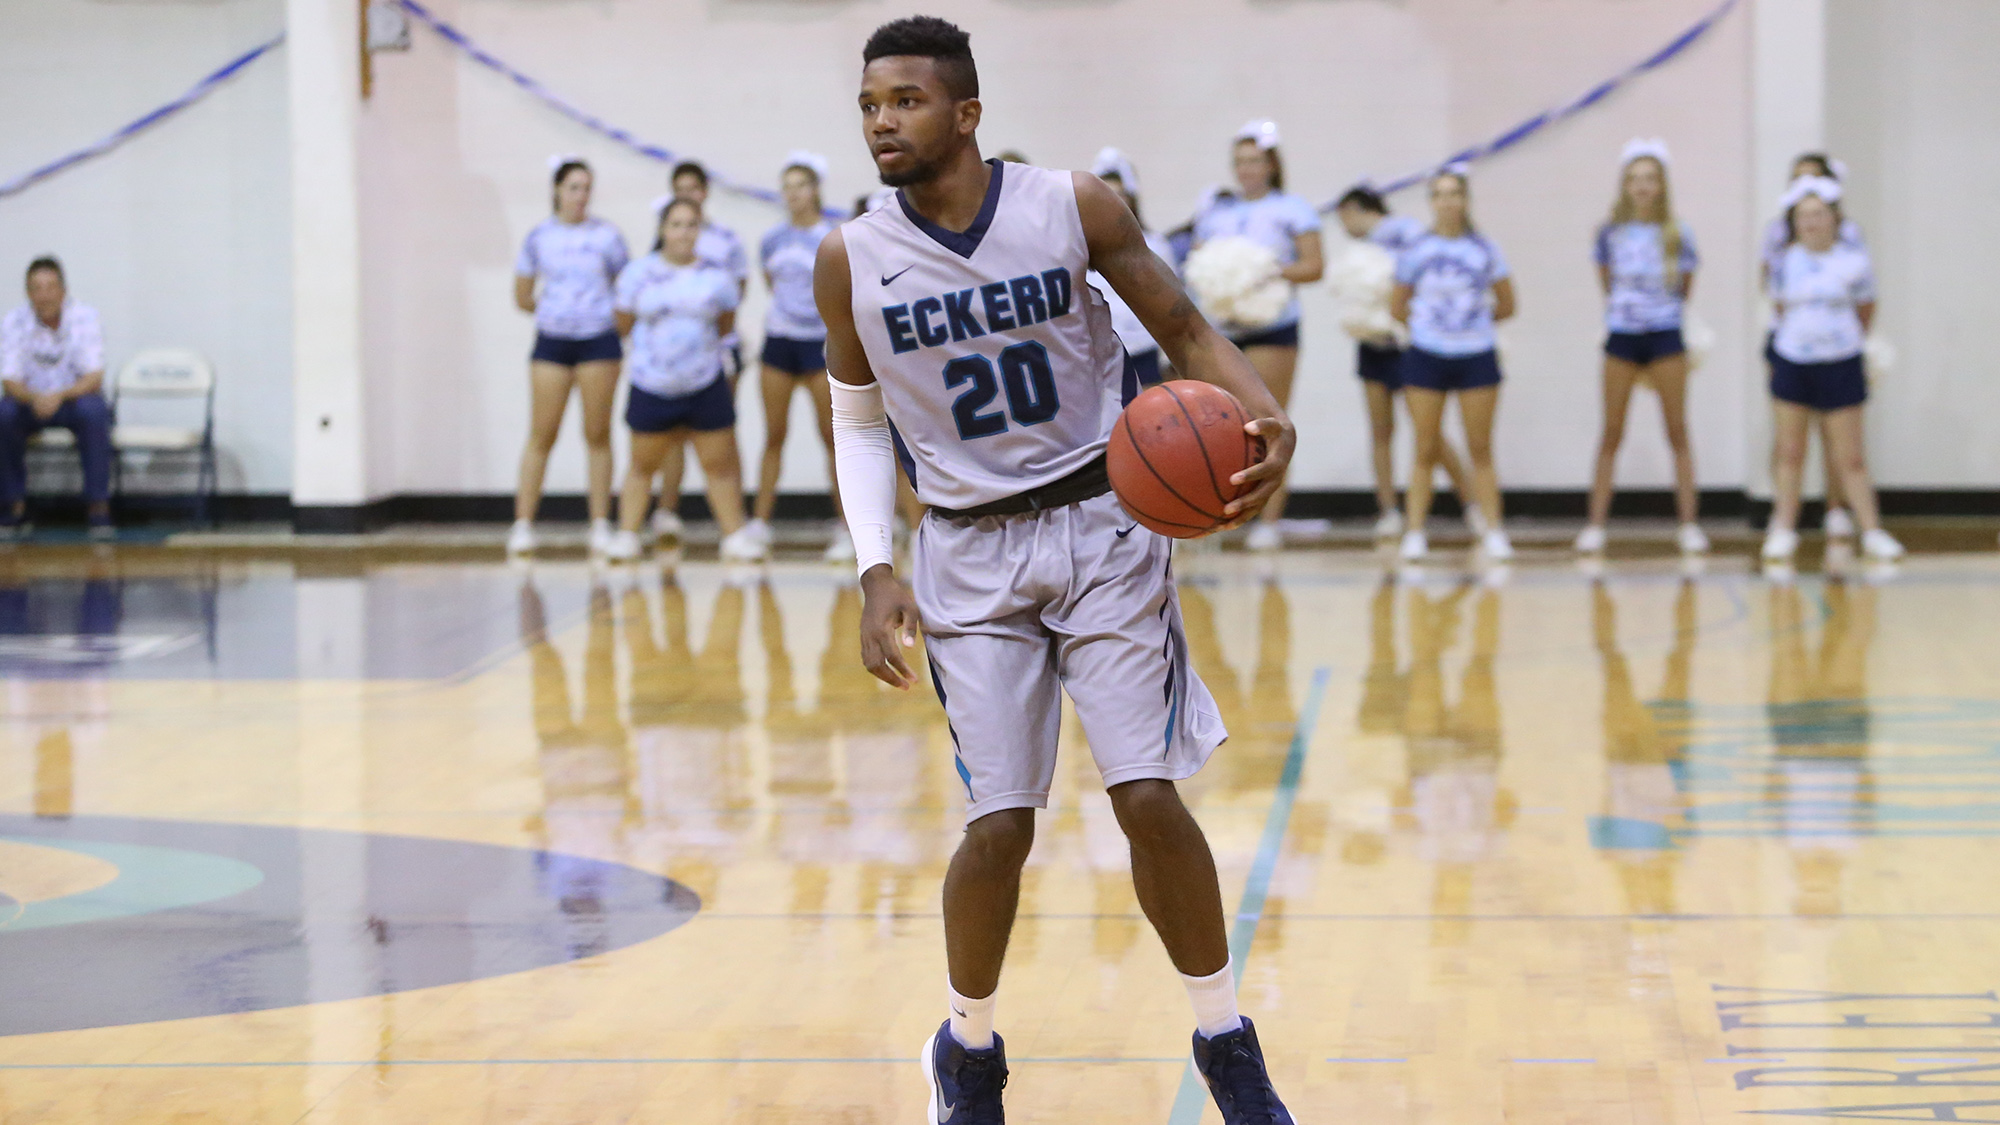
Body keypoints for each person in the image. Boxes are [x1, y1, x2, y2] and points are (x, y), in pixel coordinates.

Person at [815, 17, 1299, 1123]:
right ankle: (968, 1050)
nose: (882, 121)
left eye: (904, 101)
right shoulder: (851, 254)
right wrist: (873, 565)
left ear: (966, 113)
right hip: (967, 552)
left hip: (1102, 527)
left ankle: (1225, 1041)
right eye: (869, 106)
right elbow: (856, 419)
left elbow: (1179, 326)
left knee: (1145, 797)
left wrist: (1264, 411)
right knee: (1002, 827)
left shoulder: (1069, 205)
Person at [1191, 119, 1324, 551]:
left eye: (1254, 161)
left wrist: (1264, 270)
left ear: (1270, 164)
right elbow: (1197, 265)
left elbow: (1313, 267)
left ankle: (1270, 520)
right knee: (1216, 425)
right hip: (1222, 331)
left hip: (1273, 327)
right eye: (1239, 162)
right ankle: (1212, 515)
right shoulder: (1216, 212)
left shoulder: (1293, 208)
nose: (1246, 169)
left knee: (1271, 421)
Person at [606, 198, 763, 562]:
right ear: (662, 229)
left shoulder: (716, 278)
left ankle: (734, 535)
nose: (684, 232)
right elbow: (623, 324)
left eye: (692, 225)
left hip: (704, 383)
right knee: (642, 466)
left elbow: (725, 324)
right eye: (676, 224)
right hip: (652, 383)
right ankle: (628, 534)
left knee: (719, 465)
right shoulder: (637, 274)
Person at [1760, 176, 1902, 563]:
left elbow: (1866, 309)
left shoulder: (1853, 261)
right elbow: (1776, 307)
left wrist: (1844, 340)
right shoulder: (1783, 260)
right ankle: (1784, 527)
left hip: (1840, 362)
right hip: (1793, 361)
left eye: (1819, 215)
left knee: (1850, 456)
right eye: (1803, 216)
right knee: (1790, 451)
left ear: (1834, 219)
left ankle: (1871, 530)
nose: (1811, 223)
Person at [1577, 139, 1708, 555]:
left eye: (1650, 179)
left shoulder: (1677, 232)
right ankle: (1596, 524)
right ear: (1624, 186)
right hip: (1622, 336)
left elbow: (1685, 287)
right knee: (1611, 430)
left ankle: (1688, 524)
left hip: (1666, 334)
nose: (1642, 187)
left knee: (1678, 429)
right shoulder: (1608, 232)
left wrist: (1659, 314)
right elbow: (1606, 282)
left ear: (1662, 184)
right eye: (1634, 179)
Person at [1333, 184, 1480, 540]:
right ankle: (1389, 511)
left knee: (1429, 434)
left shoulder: (1408, 233)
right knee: (1380, 431)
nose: (1343, 228)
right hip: (1373, 345)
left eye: (1344, 219)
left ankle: (1472, 504)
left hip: (1407, 345)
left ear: (1357, 209)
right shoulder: (1360, 249)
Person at [1390, 166, 1516, 562]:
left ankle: (1493, 530)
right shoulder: (1416, 250)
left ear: (1465, 200)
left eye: (1454, 193)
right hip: (1427, 354)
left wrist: (1469, 324)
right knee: (1424, 447)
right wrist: (1434, 328)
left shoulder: (1485, 249)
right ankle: (1414, 532)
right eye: (1439, 194)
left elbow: (1508, 303)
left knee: (1481, 447)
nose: (1447, 201)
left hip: (1476, 354)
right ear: (1432, 202)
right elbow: (1397, 306)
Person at [510, 158, 629, 556]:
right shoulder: (539, 236)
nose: (580, 196)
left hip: (598, 342)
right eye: (573, 187)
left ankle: (599, 523)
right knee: (541, 433)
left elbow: (625, 290)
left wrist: (600, 317)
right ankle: (524, 524)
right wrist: (557, 312)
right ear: (557, 190)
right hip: (554, 342)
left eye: (586, 188)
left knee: (597, 433)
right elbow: (523, 294)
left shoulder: (608, 237)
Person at [747, 153, 851, 563]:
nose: (793, 194)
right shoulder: (772, 239)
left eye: (800, 185)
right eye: (786, 187)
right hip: (779, 342)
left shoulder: (831, 236)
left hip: (819, 344)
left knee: (834, 439)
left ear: (815, 190)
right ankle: (759, 523)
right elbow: (771, 283)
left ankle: (848, 527)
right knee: (774, 436)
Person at [1762, 152, 1867, 539]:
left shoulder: (1849, 239)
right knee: (1789, 440)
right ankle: (1783, 519)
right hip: (1791, 346)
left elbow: (1865, 300)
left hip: (1837, 350)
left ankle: (1838, 507)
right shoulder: (1779, 240)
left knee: (1840, 438)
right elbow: (1772, 292)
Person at [650, 161, 752, 543]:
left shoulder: (725, 239)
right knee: (671, 434)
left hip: (718, 350)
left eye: (693, 188)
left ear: (705, 192)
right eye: (680, 189)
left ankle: (734, 519)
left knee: (721, 433)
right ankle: (667, 510)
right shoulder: (661, 240)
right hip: (669, 362)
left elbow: (736, 295)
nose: (687, 196)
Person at [0, 257, 113, 541]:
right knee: (4, 414)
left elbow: (93, 377)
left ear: (63, 291)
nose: (44, 295)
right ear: (28, 293)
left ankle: (98, 507)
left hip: (73, 399)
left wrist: (58, 396)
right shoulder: (13, 321)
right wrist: (34, 397)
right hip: (31, 401)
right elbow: (10, 380)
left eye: (51, 287)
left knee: (95, 412)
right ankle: (14, 505)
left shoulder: (85, 318)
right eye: (37, 288)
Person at [1085, 147, 1177, 401]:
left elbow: (1172, 308)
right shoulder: (1080, 249)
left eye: (1119, 196)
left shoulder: (1155, 246)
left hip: (1143, 355)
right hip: (1099, 360)